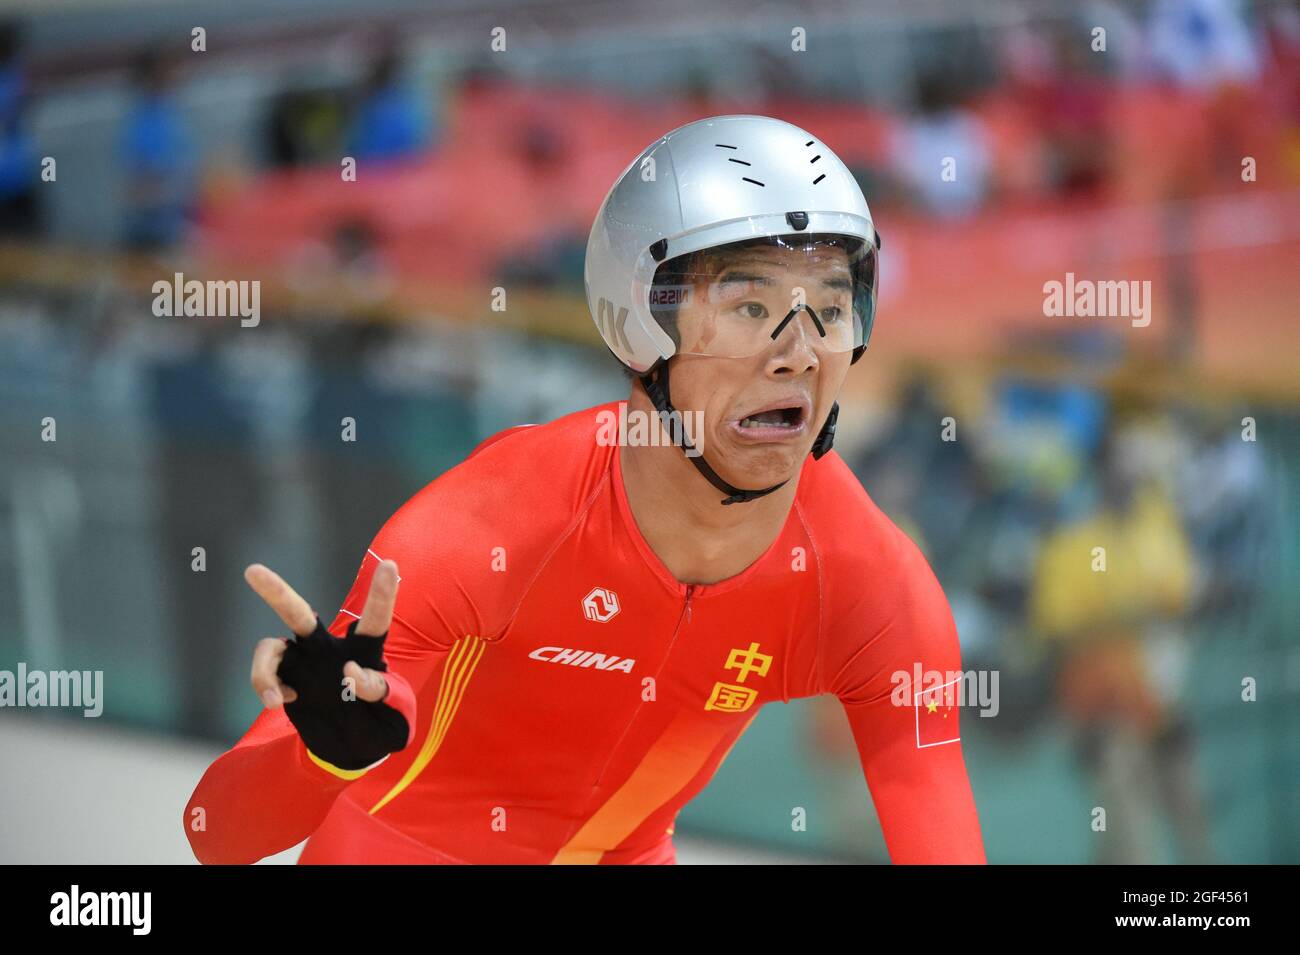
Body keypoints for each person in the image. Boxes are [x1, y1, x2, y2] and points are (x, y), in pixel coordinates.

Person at [184, 115, 986, 864]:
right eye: (751, 305)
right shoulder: (498, 520)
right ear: (642, 327)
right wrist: (320, 752)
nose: (799, 353)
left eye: (831, 308)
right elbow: (214, 834)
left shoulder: (867, 577)